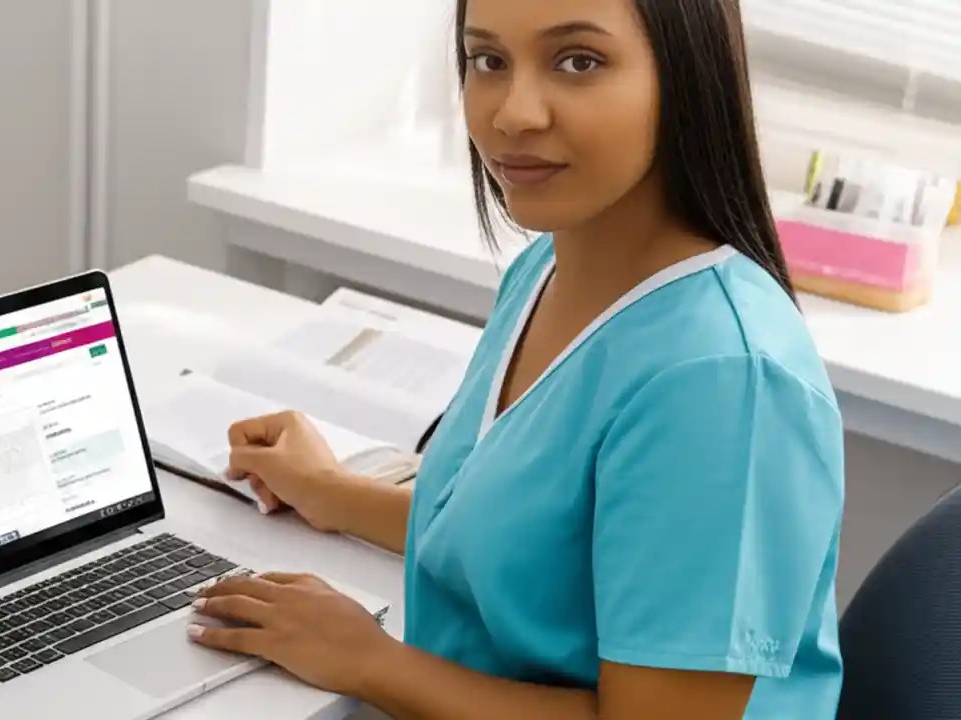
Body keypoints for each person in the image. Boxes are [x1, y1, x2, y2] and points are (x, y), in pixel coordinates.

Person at [185, 0, 846, 717]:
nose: (513, 113)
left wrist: (367, 660)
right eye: (488, 60)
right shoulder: (544, 271)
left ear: (687, 75)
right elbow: (520, 550)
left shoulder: (722, 382)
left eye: (579, 62)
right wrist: (331, 492)